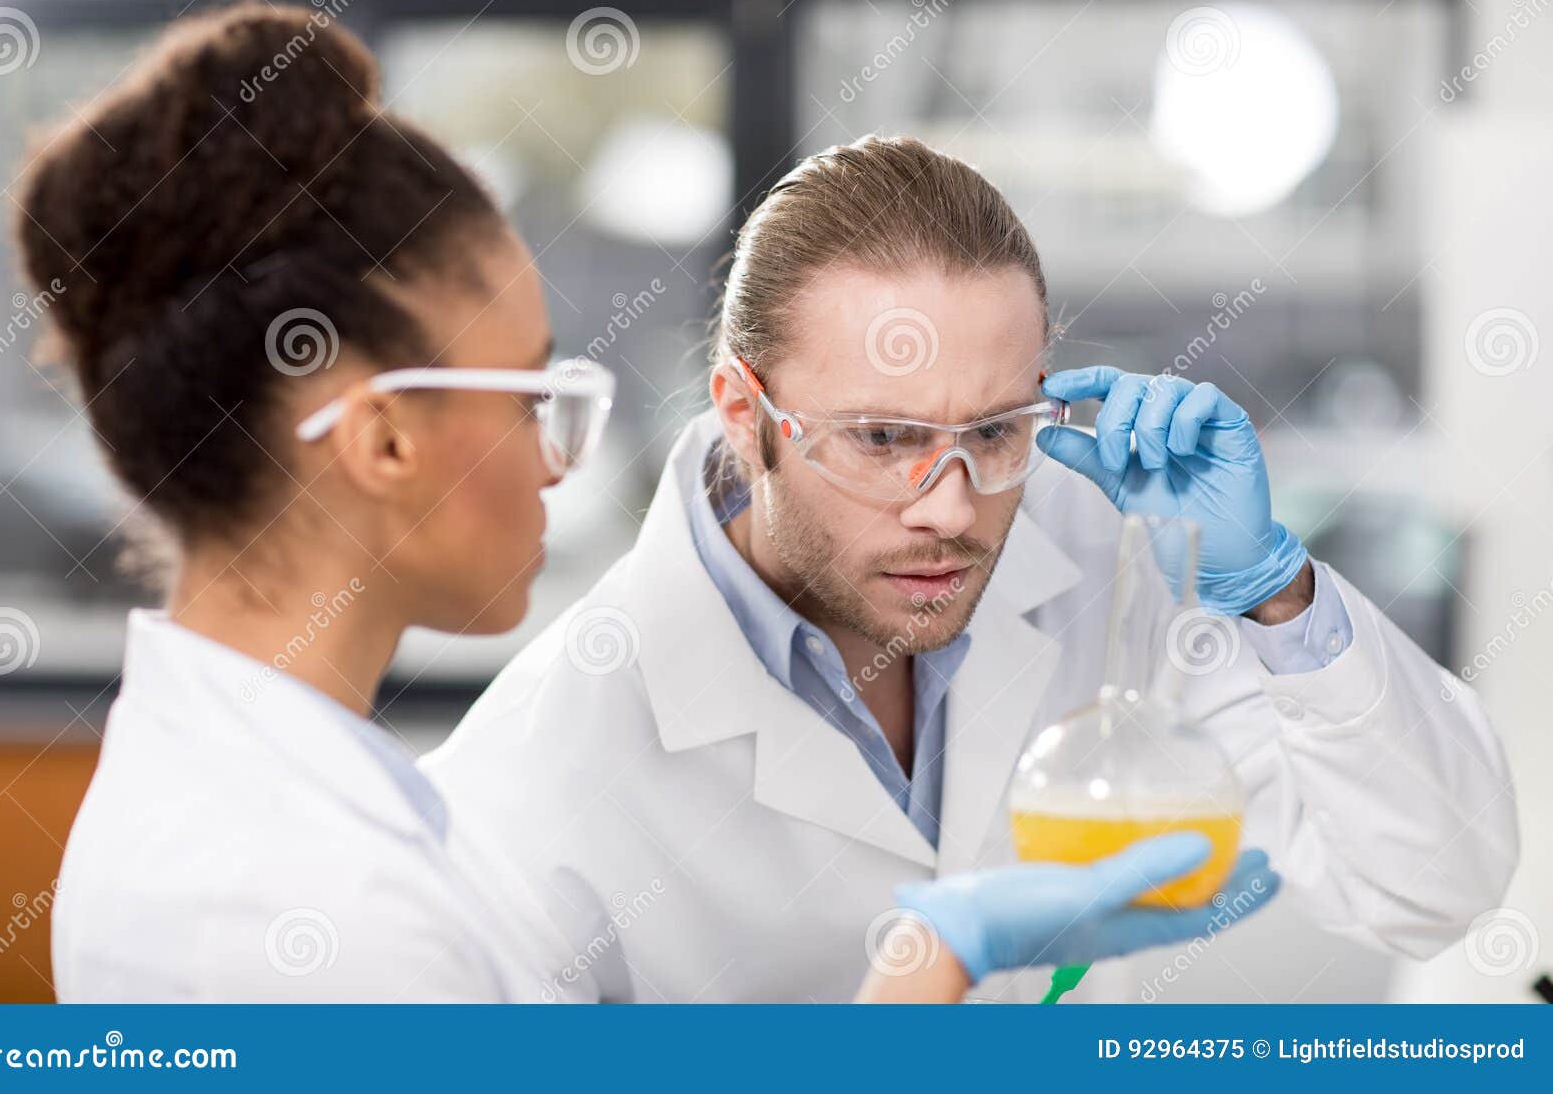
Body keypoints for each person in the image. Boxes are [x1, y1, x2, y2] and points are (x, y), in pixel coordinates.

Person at [25, 4, 1276, 1003]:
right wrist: (931, 961)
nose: (555, 463)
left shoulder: (285, 801)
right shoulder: (296, 917)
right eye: (529, 395)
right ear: (385, 436)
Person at [423, 135, 1520, 1002]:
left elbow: (1434, 885)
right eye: (882, 439)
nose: (951, 507)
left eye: (995, 430)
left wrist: (1273, 591)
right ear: (744, 414)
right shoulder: (540, 767)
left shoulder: (1095, 552)